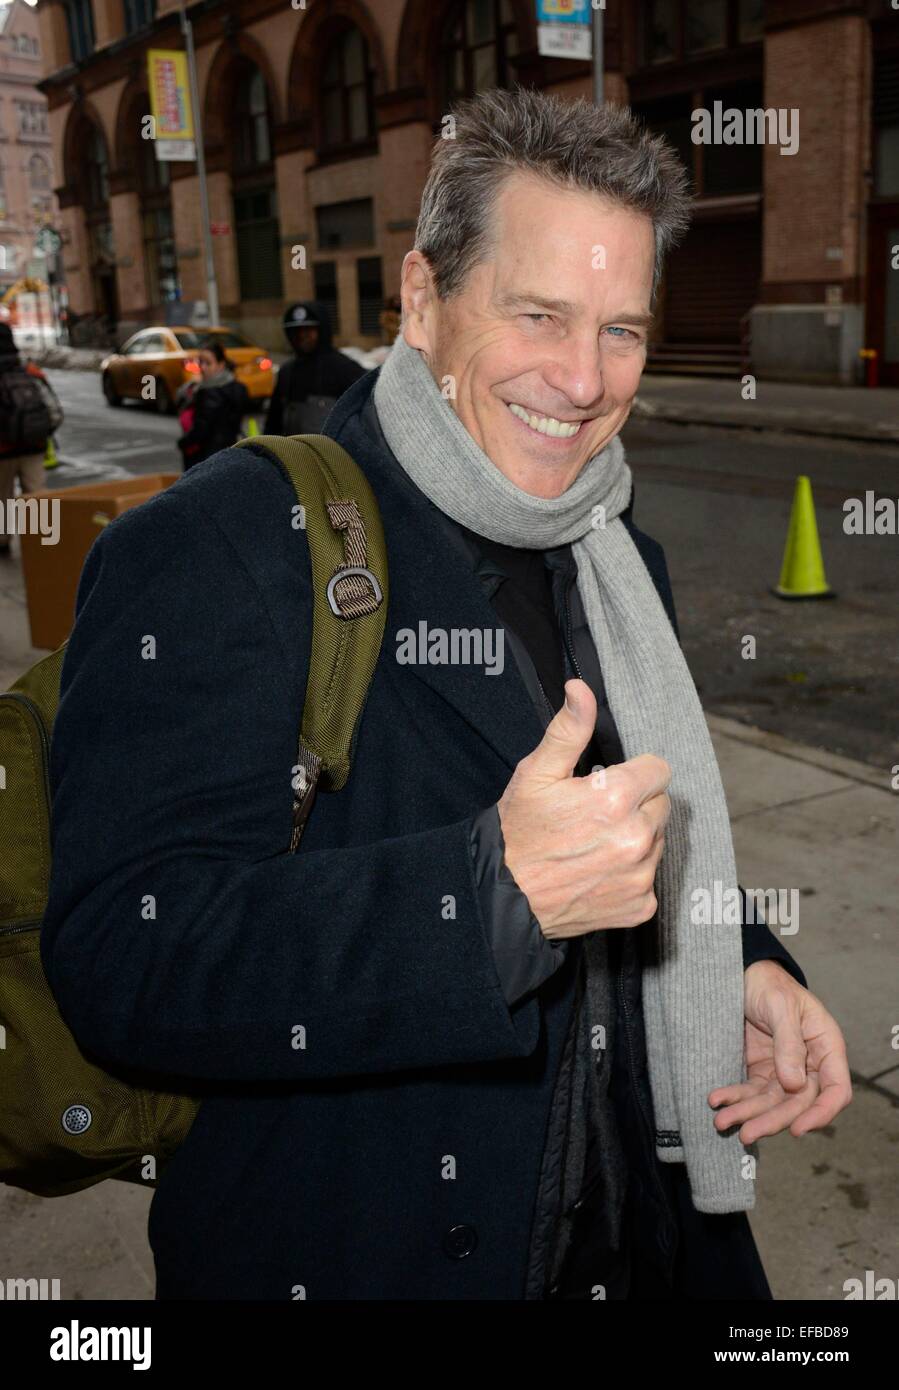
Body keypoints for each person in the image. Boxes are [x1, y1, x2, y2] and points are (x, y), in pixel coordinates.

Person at [42, 88, 851, 1301]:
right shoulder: (226, 547)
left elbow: (629, 843)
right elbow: (121, 959)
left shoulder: (616, 549)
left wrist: (745, 966)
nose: (581, 381)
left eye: (621, 330)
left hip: (644, 1244)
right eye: (537, 314)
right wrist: (481, 899)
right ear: (421, 300)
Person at [264, 300, 365, 435]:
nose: (301, 336)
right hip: (290, 453)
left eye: (308, 330)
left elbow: (366, 419)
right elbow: (274, 422)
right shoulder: (287, 372)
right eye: (296, 331)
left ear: (322, 331)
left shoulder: (344, 369)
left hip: (331, 455)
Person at [0, 321, 58, 555]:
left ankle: (3, 542)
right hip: (34, 445)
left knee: (2, 497)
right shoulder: (29, 371)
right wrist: (44, 433)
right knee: (36, 492)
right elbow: (53, 409)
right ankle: (42, 544)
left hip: (2, 450)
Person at [176, 339, 249, 470]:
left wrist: (183, 443)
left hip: (205, 457)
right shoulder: (236, 388)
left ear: (221, 365)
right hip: (228, 453)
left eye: (208, 363)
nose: (202, 368)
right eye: (200, 362)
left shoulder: (210, 393)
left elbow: (201, 428)